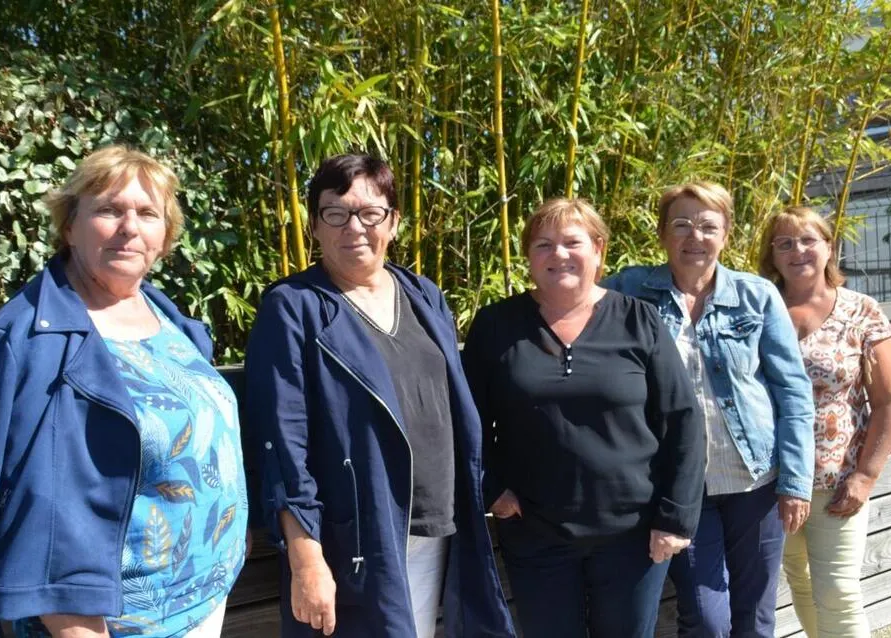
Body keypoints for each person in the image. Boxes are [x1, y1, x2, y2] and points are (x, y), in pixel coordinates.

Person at [0, 146, 248, 638]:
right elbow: (33, 510)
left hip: (201, 598)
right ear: (70, 226)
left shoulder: (167, 316)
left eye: (147, 213)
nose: (130, 227)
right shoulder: (31, 338)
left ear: (165, 235)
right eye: (110, 209)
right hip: (114, 622)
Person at [244, 153, 515, 638]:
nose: (354, 227)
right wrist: (307, 559)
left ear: (392, 221)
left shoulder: (423, 295)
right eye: (336, 212)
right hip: (359, 536)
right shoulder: (294, 308)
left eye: (370, 212)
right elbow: (282, 444)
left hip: (437, 523)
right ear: (315, 224)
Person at [461, 197, 706, 637]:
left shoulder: (639, 321)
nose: (558, 255)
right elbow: (466, 419)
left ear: (598, 250)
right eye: (543, 245)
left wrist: (675, 517)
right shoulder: (496, 326)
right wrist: (491, 489)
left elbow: (683, 421)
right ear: (528, 257)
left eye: (572, 242)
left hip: (632, 534)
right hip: (536, 532)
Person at [604, 182, 815, 637]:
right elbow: (574, 300)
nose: (694, 236)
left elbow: (793, 392)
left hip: (754, 479)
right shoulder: (630, 291)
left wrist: (796, 481)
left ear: (726, 234)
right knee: (706, 618)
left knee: (756, 616)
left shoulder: (757, 295)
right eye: (681, 224)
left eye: (707, 226)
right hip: (679, 486)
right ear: (662, 233)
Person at [760, 207, 891, 638]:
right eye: (784, 243)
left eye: (808, 240)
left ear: (829, 247)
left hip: (835, 479)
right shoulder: (757, 307)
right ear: (772, 255)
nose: (797, 250)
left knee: (838, 590)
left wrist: (865, 475)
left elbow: (889, 402)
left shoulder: (862, 310)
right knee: (800, 582)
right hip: (770, 479)